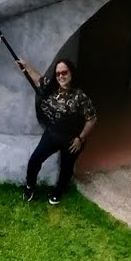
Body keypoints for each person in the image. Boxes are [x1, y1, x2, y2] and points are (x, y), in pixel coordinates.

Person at [15, 58, 97, 204]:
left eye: (64, 72)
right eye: (58, 73)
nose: (61, 76)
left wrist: (81, 138)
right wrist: (26, 65)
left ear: (71, 72)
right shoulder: (51, 87)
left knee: (66, 168)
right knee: (35, 160)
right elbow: (37, 78)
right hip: (52, 134)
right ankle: (29, 186)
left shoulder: (80, 96)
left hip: (73, 139)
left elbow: (92, 119)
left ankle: (58, 190)